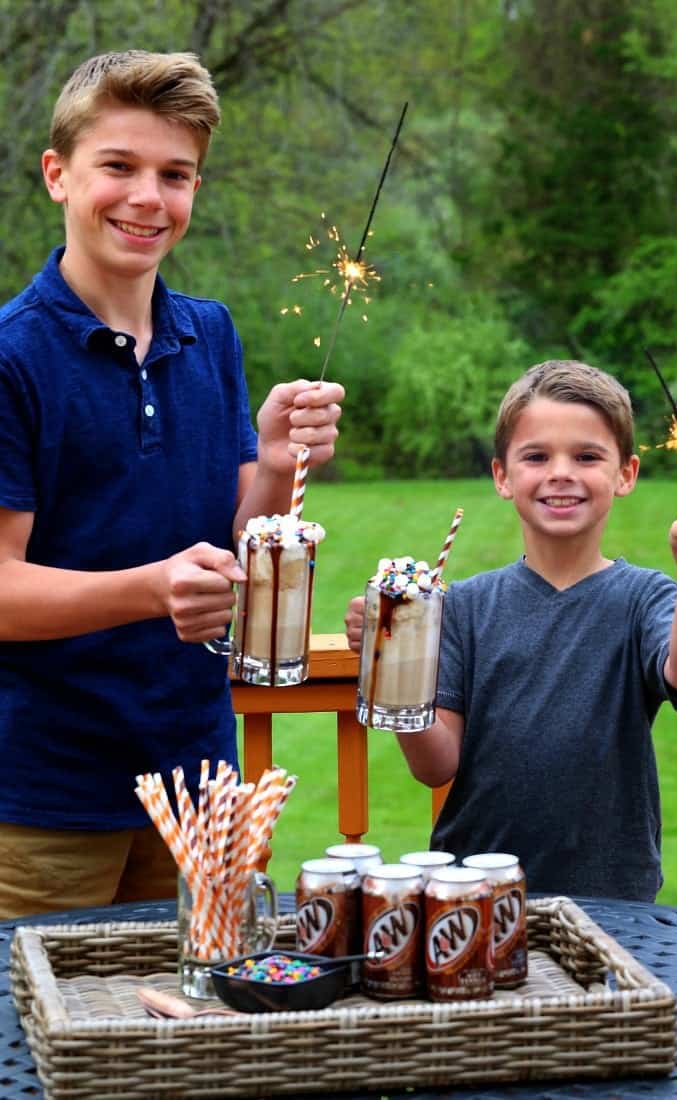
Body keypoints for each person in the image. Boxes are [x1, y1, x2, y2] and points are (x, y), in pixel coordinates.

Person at [0, 50, 345, 917]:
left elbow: (237, 547)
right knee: (36, 1045)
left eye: (176, 174)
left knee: (188, 1034)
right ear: (58, 174)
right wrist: (152, 591)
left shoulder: (211, 334)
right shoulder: (14, 356)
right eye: (118, 166)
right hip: (42, 794)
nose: (148, 198)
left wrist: (270, 465)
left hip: (200, 780)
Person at [345, 360, 677, 901]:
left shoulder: (645, 597)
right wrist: (388, 663)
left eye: (587, 456)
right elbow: (435, 766)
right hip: (473, 888)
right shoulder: (465, 607)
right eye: (536, 456)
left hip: (613, 893)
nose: (561, 472)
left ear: (626, 474)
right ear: (503, 475)